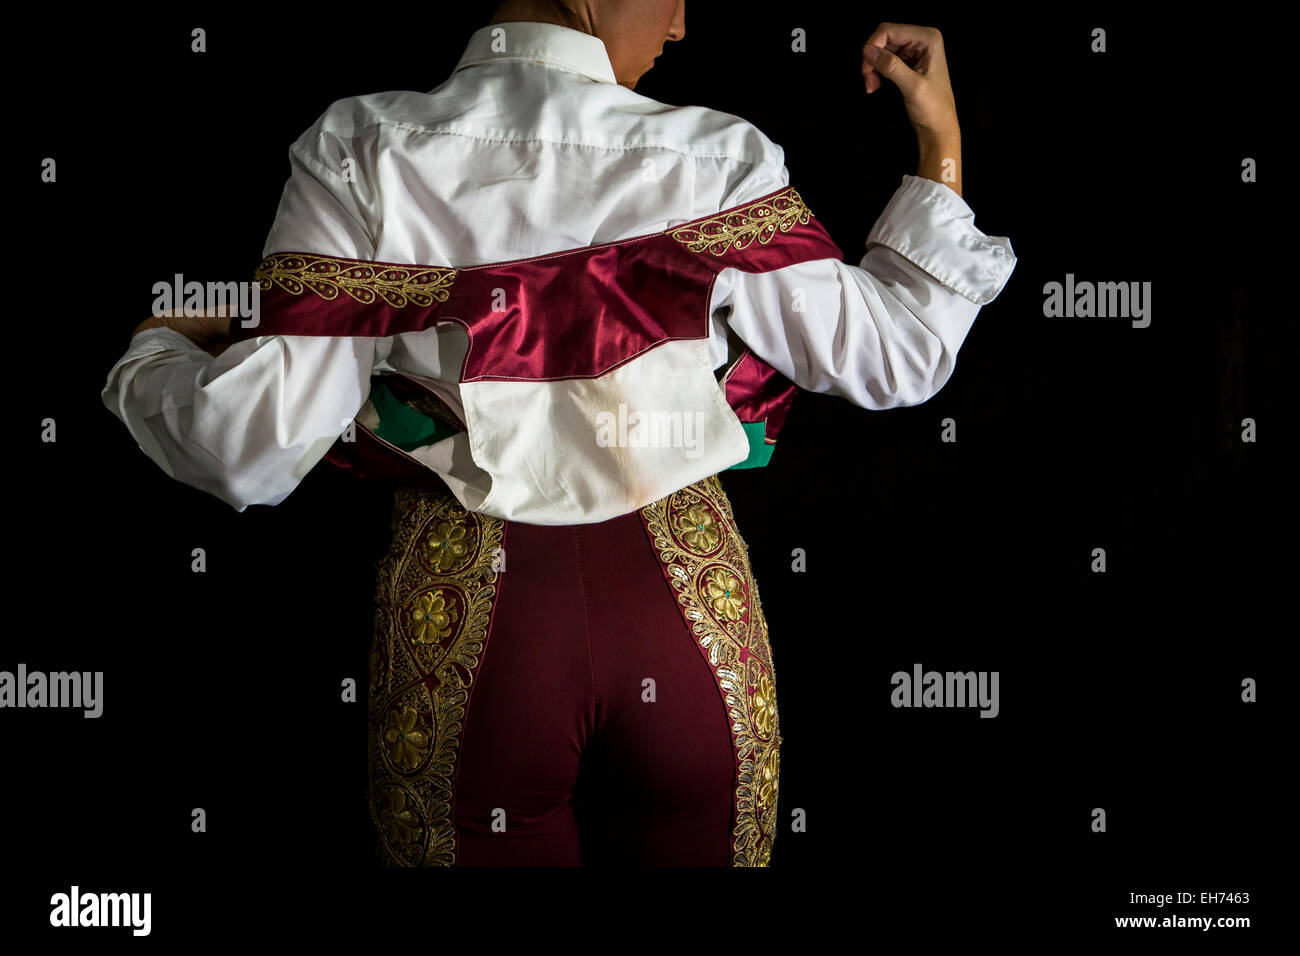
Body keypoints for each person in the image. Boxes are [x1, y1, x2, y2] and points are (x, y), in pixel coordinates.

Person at [102, 1, 1016, 865]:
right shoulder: (718, 155)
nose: (682, 24)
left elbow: (246, 449)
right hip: (690, 623)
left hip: (474, 636)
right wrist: (941, 136)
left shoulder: (362, 145)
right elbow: (901, 354)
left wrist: (151, 356)